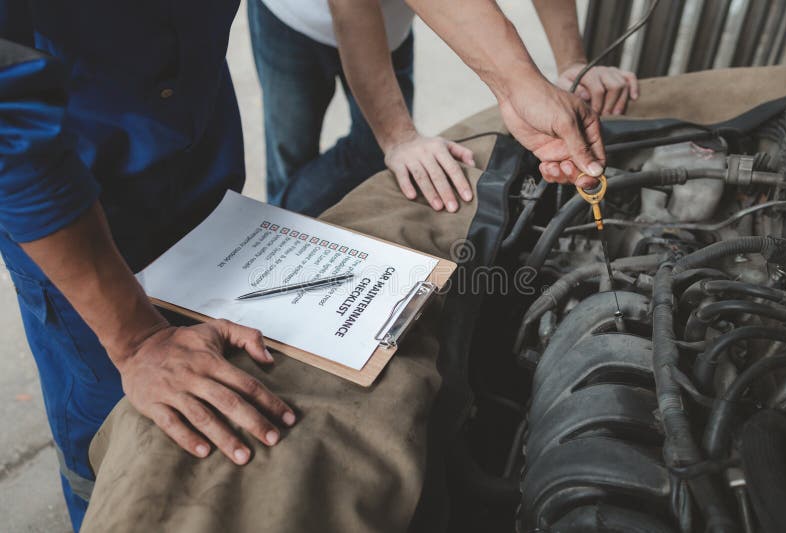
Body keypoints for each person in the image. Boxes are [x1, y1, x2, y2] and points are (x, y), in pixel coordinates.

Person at [0, 1, 626, 530]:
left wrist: (518, 83)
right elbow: (11, 138)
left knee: (255, 377)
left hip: (199, 156)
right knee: (121, 439)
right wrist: (135, 341)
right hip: (68, 214)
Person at [250, 0, 639, 214]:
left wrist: (568, 65)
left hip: (392, 28)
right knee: (291, 148)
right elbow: (352, 11)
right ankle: (267, 226)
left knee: (370, 152)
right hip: (290, 20)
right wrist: (399, 136)